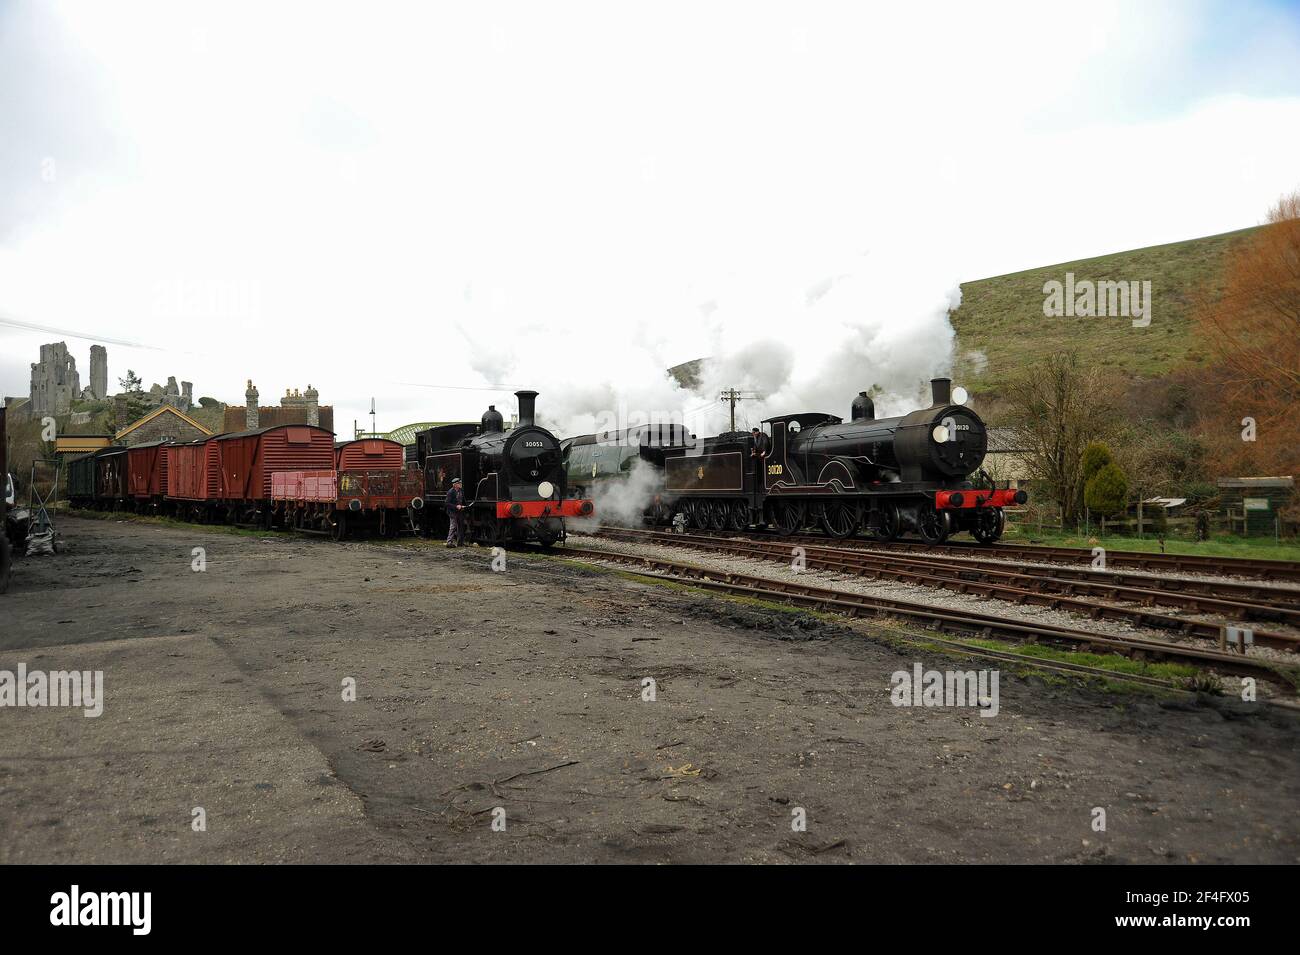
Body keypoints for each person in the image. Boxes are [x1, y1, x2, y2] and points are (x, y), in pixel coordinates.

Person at [445, 477, 466, 547]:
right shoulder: (450, 492)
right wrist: (456, 506)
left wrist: (463, 506)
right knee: (453, 526)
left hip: (460, 511)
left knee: (460, 526)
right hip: (452, 512)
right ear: (455, 485)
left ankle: (460, 542)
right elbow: (447, 503)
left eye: (460, 483)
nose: (460, 484)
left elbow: (462, 500)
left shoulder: (461, 490)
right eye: (459, 483)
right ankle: (449, 542)